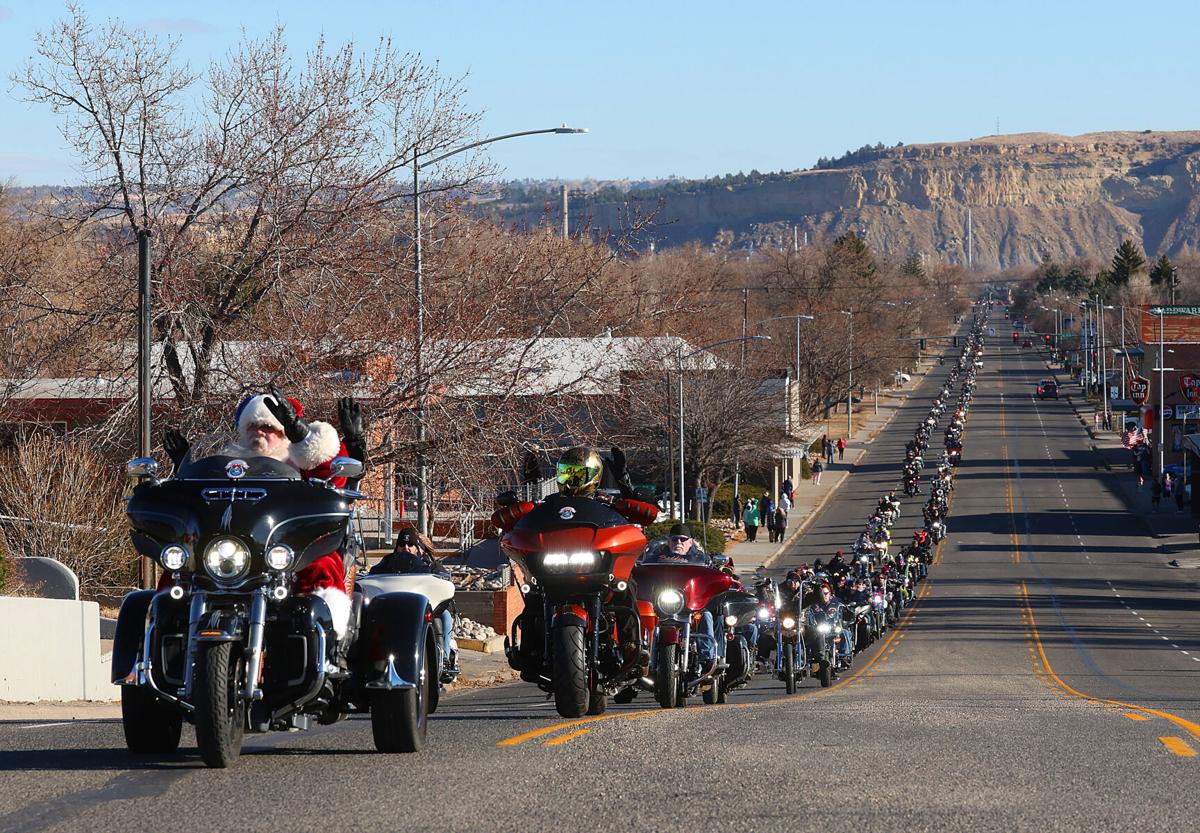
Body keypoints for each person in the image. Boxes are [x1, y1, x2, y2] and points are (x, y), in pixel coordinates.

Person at [163, 387, 360, 641]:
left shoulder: (299, 465)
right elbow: (200, 504)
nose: (259, 432)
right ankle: (155, 643)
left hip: (288, 550)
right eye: (253, 426)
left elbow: (332, 477)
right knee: (177, 569)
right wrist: (185, 471)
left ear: (284, 433)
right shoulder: (226, 467)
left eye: (268, 427)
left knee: (320, 565)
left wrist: (300, 432)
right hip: (232, 552)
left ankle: (327, 638)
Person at [491, 446, 656, 669]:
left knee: (625, 587)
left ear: (595, 475)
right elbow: (502, 520)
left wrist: (626, 487)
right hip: (554, 569)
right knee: (533, 595)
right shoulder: (547, 506)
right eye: (568, 472)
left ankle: (631, 645)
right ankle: (529, 648)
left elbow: (648, 514)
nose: (572, 479)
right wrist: (516, 505)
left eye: (580, 473)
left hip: (597, 570)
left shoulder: (607, 504)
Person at [370, 528, 456, 671]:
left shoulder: (429, 565)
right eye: (402, 545)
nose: (406, 548)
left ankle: (444, 659)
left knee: (445, 617)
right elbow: (373, 574)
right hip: (392, 610)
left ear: (417, 548)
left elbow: (443, 578)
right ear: (397, 547)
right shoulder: (387, 563)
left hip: (422, 610)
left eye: (410, 545)